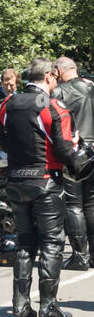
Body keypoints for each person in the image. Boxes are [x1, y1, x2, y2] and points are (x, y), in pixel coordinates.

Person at [0, 58, 82, 317]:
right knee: (52, 242)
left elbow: (2, 139)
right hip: (45, 181)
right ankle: (48, 306)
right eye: (55, 77)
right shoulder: (54, 107)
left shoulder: (7, 104)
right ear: (48, 76)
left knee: (25, 241)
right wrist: (77, 150)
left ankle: (20, 305)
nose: (56, 81)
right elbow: (66, 150)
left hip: (16, 180)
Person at [53, 57, 94, 270]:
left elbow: (53, 122)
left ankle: (80, 256)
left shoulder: (60, 92)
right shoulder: (91, 86)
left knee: (74, 205)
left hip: (75, 150)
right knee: (90, 203)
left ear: (59, 71)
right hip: (92, 150)